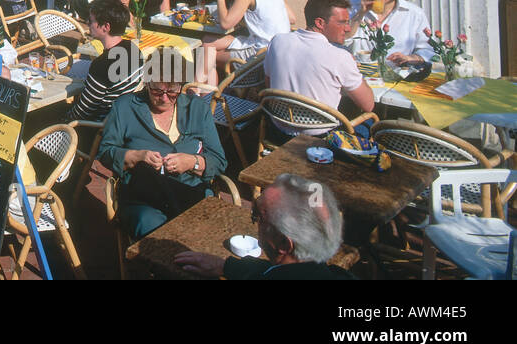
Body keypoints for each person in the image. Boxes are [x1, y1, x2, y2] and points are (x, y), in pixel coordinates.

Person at [98, 47, 227, 239]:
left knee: (201, 223)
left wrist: (192, 162)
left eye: (172, 91)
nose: (165, 98)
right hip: (144, 195)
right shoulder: (125, 106)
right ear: (147, 82)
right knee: (151, 226)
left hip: (190, 190)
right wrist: (136, 157)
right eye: (157, 90)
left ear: (181, 85)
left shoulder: (197, 109)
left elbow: (219, 160)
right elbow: (106, 152)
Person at [174, 174, 353, 279]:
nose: (254, 223)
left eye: (257, 216)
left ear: (283, 244)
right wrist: (226, 266)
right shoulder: (336, 274)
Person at [264, 0, 374, 135]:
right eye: (342, 22)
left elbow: (269, 82)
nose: (347, 29)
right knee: (370, 121)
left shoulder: (278, 41)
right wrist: (353, 68)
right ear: (320, 23)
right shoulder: (340, 57)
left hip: (278, 129)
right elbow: (368, 105)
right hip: (321, 140)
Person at [205, 0, 295, 83]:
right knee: (207, 42)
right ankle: (203, 90)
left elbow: (225, 24)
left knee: (209, 56)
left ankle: (205, 95)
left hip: (261, 54)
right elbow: (292, 18)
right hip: (277, 49)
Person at [64, 0, 145, 123]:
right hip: (128, 117)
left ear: (106, 27)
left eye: (91, 21)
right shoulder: (133, 48)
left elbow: (84, 111)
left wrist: (64, 118)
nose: (87, 23)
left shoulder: (101, 65)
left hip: (100, 127)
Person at [349, 0, 433, 68]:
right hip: (359, 73)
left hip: (398, 73)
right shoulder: (354, 7)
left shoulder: (414, 14)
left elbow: (427, 50)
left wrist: (410, 58)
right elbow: (342, 40)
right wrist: (361, 13)